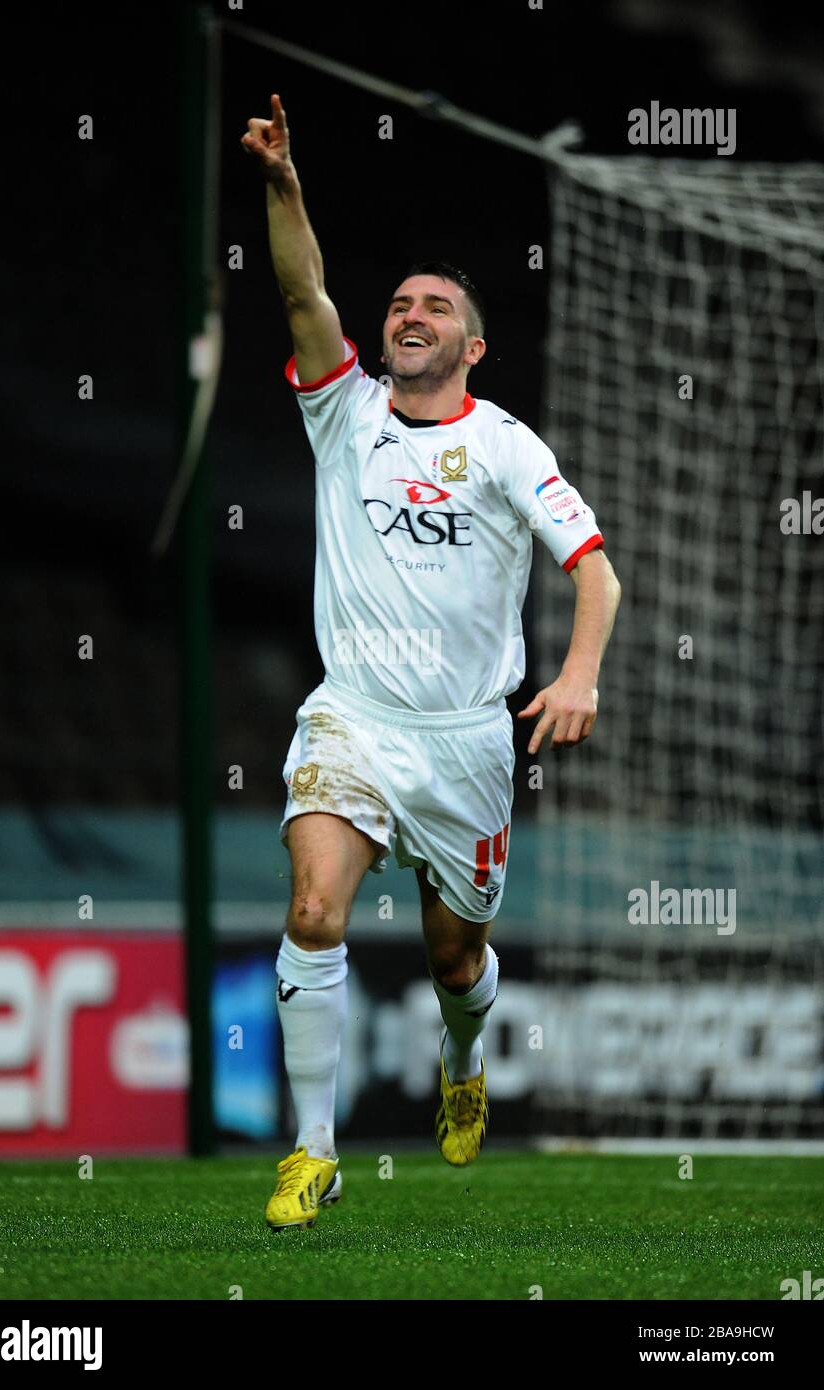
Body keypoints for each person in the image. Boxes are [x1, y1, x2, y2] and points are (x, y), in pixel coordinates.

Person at [242, 94, 622, 1230]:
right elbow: (304, 289)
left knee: (458, 962)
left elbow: (595, 571)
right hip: (352, 717)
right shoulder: (342, 412)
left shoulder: (503, 445)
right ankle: (312, 1153)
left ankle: (465, 1062)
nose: (411, 315)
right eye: (402, 302)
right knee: (314, 910)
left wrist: (581, 674)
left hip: (466, 741)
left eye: (436, 307)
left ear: (473, 344)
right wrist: (283, 182)